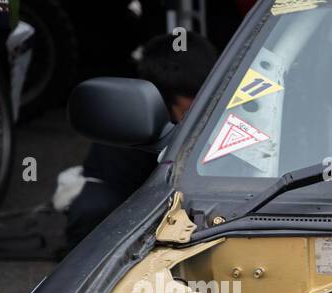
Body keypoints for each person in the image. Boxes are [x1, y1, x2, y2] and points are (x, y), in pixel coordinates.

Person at [64, 33, 218, 249]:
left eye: (209, 93)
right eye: (192, 97)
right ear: (162, 97)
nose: (203, 106)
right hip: (136, 203)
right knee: (93, 209)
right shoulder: (130, 123)